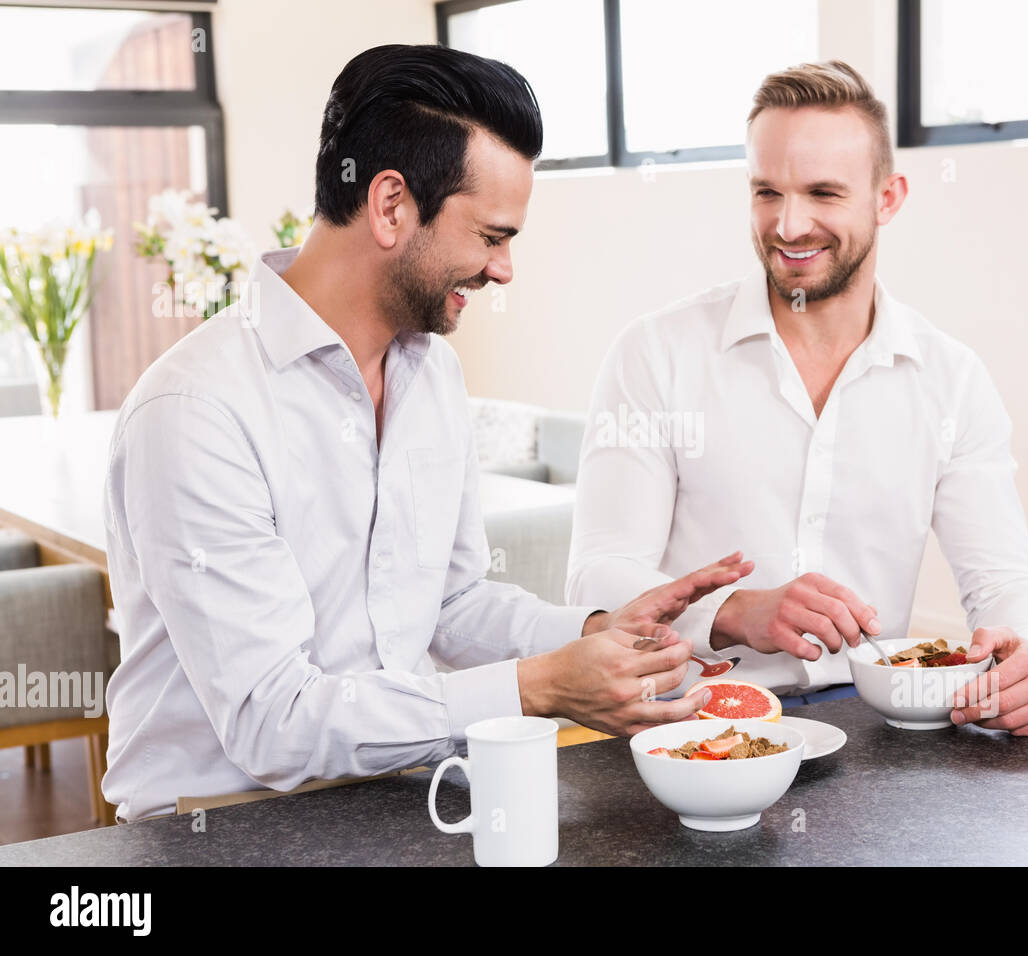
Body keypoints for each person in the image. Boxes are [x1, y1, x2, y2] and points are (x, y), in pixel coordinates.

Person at [101, 44, 750, 823]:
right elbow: (272, 723)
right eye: (491, 236)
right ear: (390, 206)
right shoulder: (196, 411)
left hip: (394, 799)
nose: (505, 269)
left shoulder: (430, 374)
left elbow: (450, 604)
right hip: (217, 826)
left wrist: (599, 631)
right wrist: (538, 685)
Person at [566, 60, 1028, 734]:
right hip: (684, 730)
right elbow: (595, 579)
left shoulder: (950, 379)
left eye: (823, 193)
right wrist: (732, 611)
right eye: (766, 192)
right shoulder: (654, 354)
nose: (788, 224)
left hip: (868, 732)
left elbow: (1000, 577)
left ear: (887, 198)